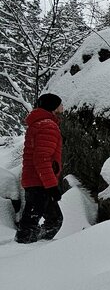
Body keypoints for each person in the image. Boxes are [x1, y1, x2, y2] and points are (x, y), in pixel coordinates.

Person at [15, 93, 64, 244]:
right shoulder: (48, 125)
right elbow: (41, 158)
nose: (63, 107)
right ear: (53, 107)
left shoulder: (38, 124)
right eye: (60, 104)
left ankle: (34, 245)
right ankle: (26, 250)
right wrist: (51, 186)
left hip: (36, 180)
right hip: (40, 182)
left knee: (52, 219)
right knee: (37, 222)